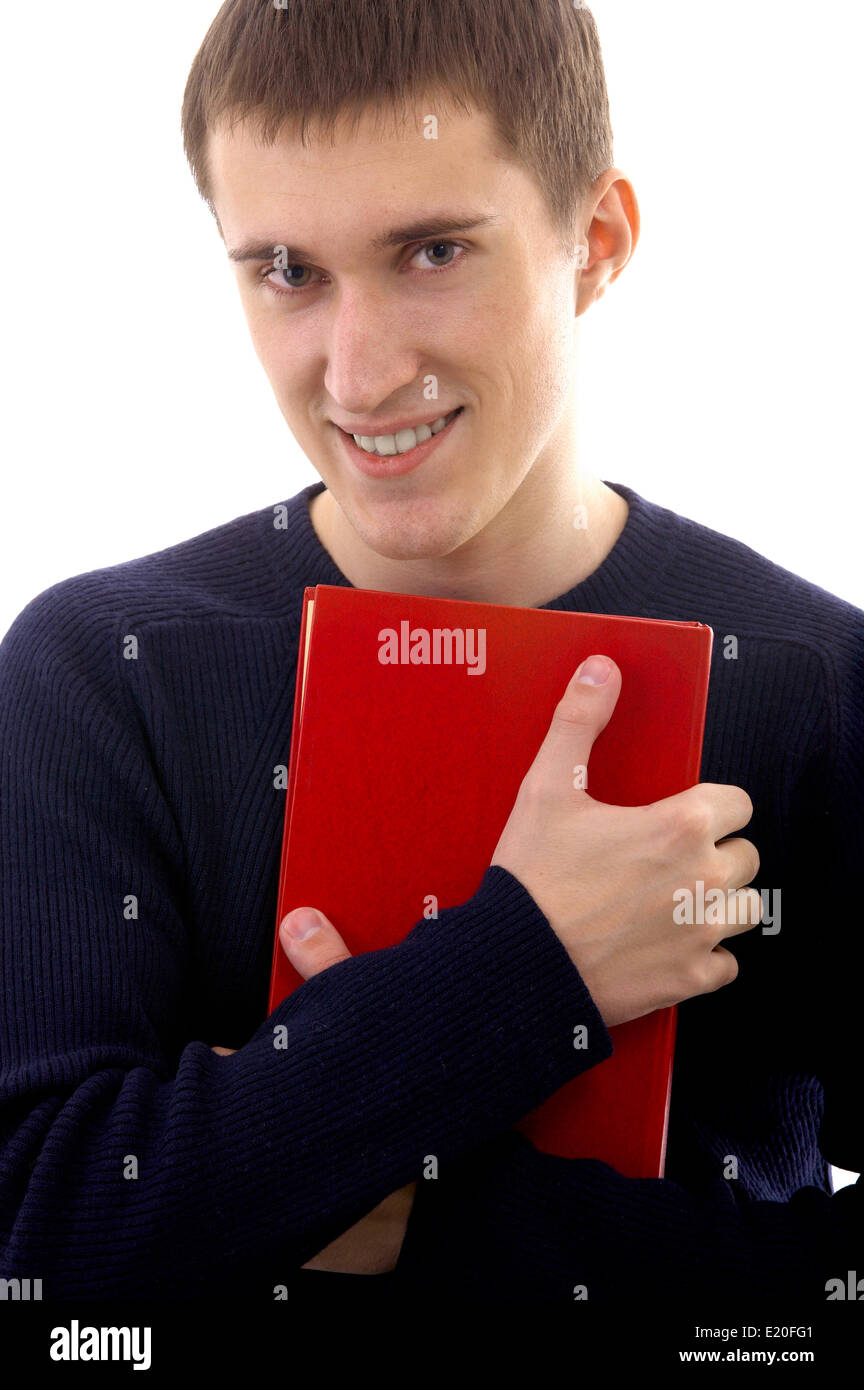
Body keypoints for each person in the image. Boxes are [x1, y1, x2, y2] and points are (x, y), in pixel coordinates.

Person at [0, 0, 860, 1304]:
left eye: (434, 250)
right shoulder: (101, 672)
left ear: (599, 241)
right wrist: (527, 967)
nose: (357, 370)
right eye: (287, 269)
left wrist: (446, 1227)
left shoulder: (819, 689)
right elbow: (33, 1242)